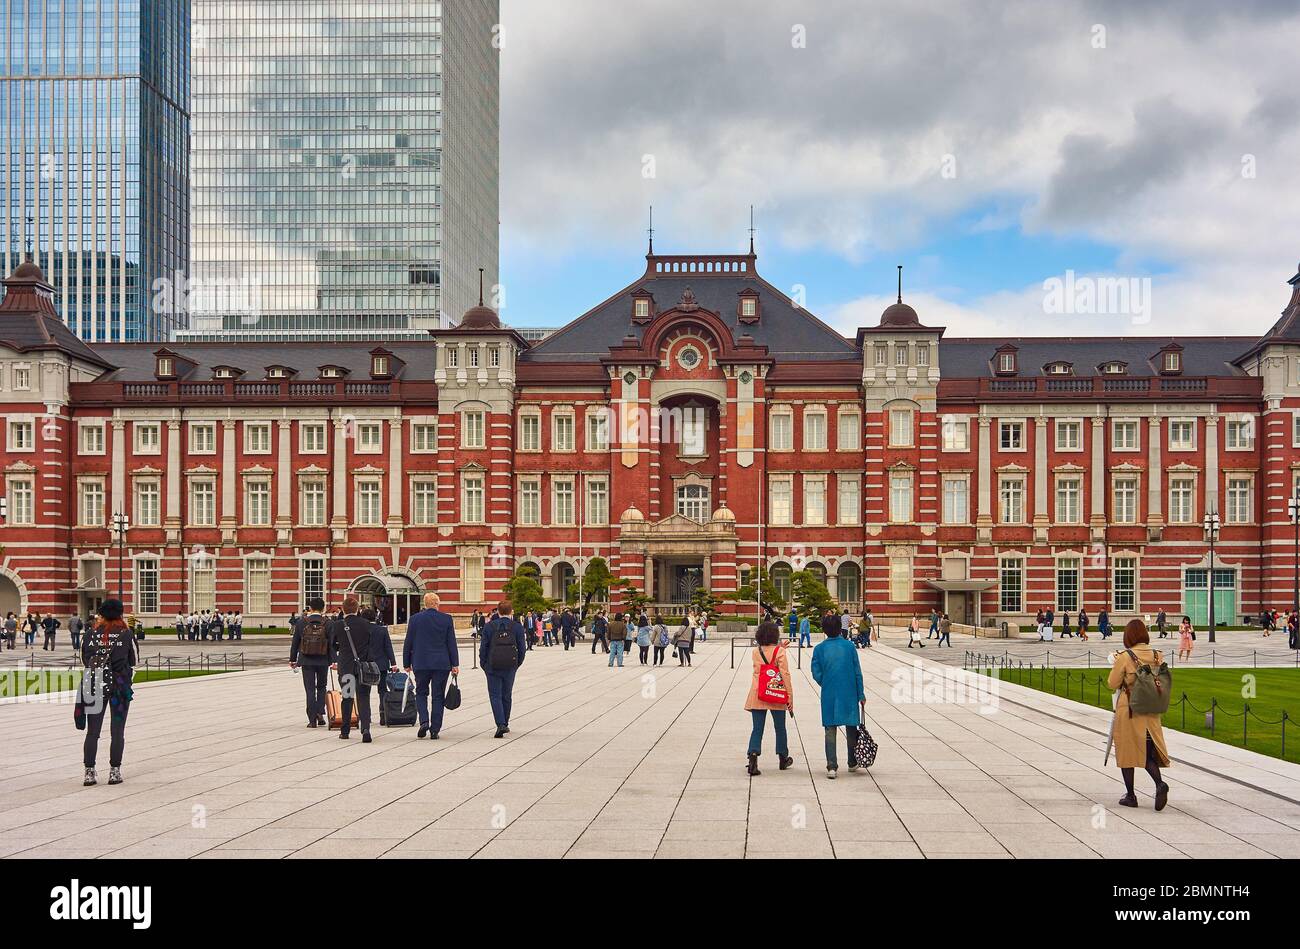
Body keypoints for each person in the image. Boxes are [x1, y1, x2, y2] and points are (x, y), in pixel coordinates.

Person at [1107, 619, 1171, 810]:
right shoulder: (1157, 655)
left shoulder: (1125, 657)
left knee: (1127, 752)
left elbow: (1112, 683)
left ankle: (1131, 795)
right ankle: (1159, 783)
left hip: (1130, 710)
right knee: (1148, 752)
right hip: (1151, 710)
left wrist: (1116, 662)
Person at [78, 598, 136, 786]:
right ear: (120, 614)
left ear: (101, 614)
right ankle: (114, 772)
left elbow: (84, 659)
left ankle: (89, 773)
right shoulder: (126, 634)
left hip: (95, 684)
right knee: (117, 731)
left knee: (92, 732)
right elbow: (133, 660)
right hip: (119, 686)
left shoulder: (90, 634)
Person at [810, 622, 865, 779]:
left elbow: (815, 671)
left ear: (824, 630)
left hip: (829, 692)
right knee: (851, 727)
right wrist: (861, 694)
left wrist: (825, 681)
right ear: (840, 628)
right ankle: (852, 762)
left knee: (830, 728)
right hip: (849, 691)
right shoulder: (849, 647)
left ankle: (832, 766)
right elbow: (857, 672)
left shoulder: (819, 649)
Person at [402, 592, 459, 739]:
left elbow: (408, 642)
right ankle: (435, 730)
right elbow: (451, 643)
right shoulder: (446, 619)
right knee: (438, 696)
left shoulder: (414, 619)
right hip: (441, 663)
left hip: (420, 662)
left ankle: (424, 721)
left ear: (425, 604)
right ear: (437, 604)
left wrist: (406, 663)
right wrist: (455, 663)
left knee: (421, 693)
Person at [745, 621, 794, 776]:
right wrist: (789, 696)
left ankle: (753, 757)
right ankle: (783, 758)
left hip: (758, 692)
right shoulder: (780, 652)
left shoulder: (756, 651)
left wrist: (780, 648)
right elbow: (785, 674)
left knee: (757, 728)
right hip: (775, 692)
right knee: (780, 727)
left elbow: (766, 656)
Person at [329, 597, 376, 742]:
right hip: (363, 668)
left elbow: (332, 645)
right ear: (357, 609)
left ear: (343, 609)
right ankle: (366, 729)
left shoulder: (338, 625)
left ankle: (345, 731)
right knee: (364, 697)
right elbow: (371, 645)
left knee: (347, 698)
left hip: (346, 667)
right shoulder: (366, 624)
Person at [480, 600, 527, 738]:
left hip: (492, 666)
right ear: (511, 611)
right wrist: (517, 663)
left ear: (498, 612)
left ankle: (500, 724)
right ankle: (505, 722)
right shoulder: (517, 627)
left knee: (495, 695)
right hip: (510, 666)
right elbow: (522, 649)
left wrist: (484, 664)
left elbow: (483, 648)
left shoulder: (489, 626)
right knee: (507, 695)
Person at [289, 597, 332, 727]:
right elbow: (332, 644)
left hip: (306, 659)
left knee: (310, 689)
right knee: (322, 687)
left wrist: (292, 659)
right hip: (323, 659)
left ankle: (312, 719)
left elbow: (295, 643)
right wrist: (333, 660)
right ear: (323, 608)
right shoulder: (328, 623)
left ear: (310, 608)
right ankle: (320, 712)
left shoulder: (302, 622)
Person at [363, 607, 399, 724]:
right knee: (382, 690)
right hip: (381, 664)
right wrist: (393, 663)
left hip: (366, 665)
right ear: (375, 617)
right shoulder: (382, 630)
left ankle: (366, 716)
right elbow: (388, 647)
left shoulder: (361, 630)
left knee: (365, 691)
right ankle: (383, 715)